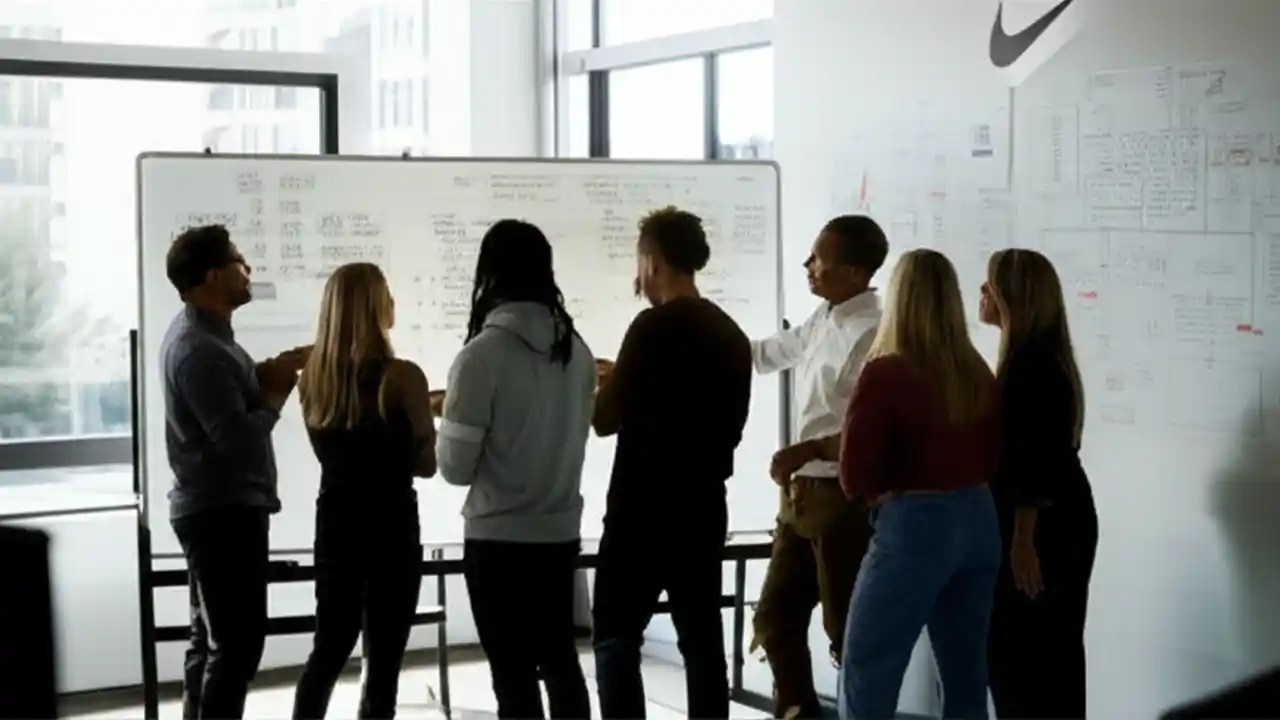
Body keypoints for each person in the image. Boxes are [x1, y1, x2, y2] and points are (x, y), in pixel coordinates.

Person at [824, 249, 1001, 719]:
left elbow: (854, 473)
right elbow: (993, 455)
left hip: (915, 524)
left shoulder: (886, 372)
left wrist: (881, 492)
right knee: (965, 671)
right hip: (979, 519)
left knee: (869, 663)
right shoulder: (975, 369)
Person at [592, 206, 753, 719]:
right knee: (702, 642)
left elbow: (605, 419)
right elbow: (727, 424)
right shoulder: (730, 335)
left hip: (640, 509)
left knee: (616, 636)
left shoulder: (649, 328)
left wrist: (603, 384)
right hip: (703, 507)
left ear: (653, 261)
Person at [436, 220, 595, 719]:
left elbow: (455, 469)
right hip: (559, 533)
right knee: (561, 663)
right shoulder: (577, 352)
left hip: (498, 540)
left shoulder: (480, 356)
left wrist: (448, 420)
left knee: (513, 676)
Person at [160, 224, 308, 720]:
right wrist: (276, 394)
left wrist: (268, 371)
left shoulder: (207, 337)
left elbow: (226, 402)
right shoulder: (199, 349)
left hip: (215, 509)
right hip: (222, 513)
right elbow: (236, 438)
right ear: (213, 276)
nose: (249, 270)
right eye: (240, 262)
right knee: (238, 647)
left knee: (211, 642)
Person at [750, 215, 887, 719]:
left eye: (818, 258)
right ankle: (797, 709)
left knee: (846, 627)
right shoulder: (823, 317)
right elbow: (766, 354)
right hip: (801, 496)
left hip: (842, 498)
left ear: (853, 272)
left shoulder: (872, 332)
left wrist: (806, 452)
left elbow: (867, 431)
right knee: (775, 616)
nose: (808, 265)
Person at [291, 263, 437, 719]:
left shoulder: (313, 382)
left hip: (336, 523)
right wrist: (426, 421)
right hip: (391, 526)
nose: (394, 302)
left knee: (328, 649)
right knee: (383, 662)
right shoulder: (404, 377)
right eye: (387, 293)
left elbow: (337, 454)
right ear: (375, 307)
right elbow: (427, 465)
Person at [981, 249, 1098, 719]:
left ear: (1012, 297)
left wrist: (1022, 540)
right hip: (1054, 516)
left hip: (1041, 526)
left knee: (1026, 657)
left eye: (990, 285)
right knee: (1047, 654)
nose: (982, 293)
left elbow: (1034, 460)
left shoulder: (1031, 366)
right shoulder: (1038, 358)